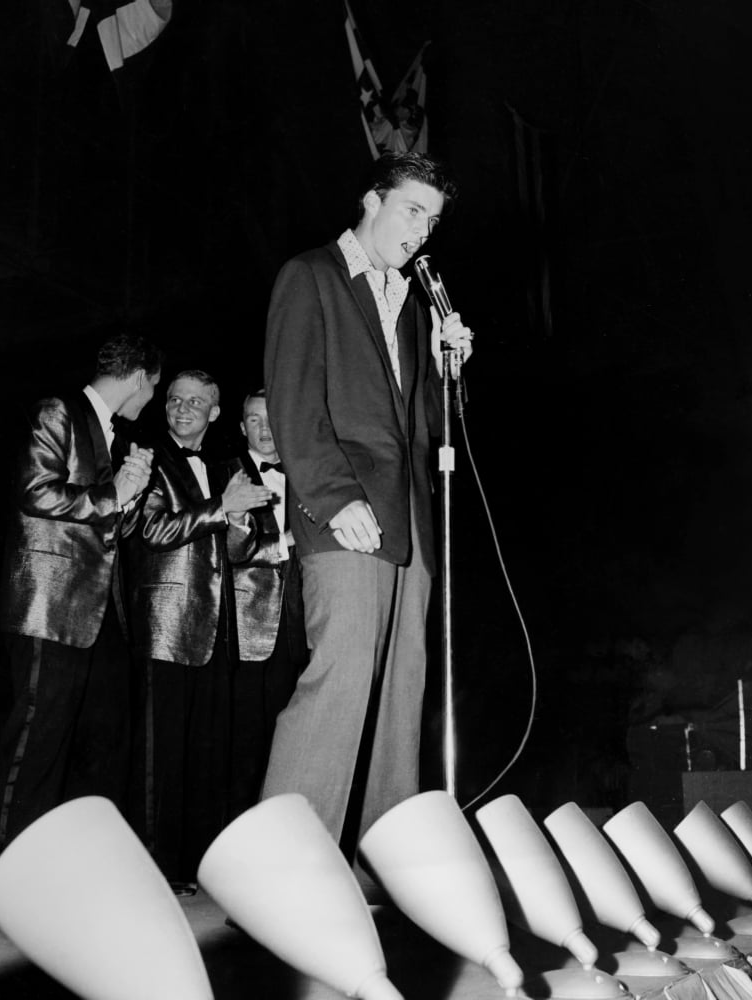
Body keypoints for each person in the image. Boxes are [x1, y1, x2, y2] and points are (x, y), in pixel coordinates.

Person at [261, 151, 474, 870]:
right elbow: (294, 400)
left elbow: (430, 432)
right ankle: (285, 866)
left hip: (409, 526)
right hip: (344, 512)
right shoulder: (312, 276)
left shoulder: (414, 306)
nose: (422, 231)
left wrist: (451, 371)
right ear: (371, 201)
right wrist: (331, 498)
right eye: (413, 210)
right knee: (342, 682)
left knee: (399, 697)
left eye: (434, 220)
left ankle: (387, 866)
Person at [0, 331, 162, 856]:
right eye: (153, 386)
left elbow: (101, 518)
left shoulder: (108, 433)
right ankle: (10, 862)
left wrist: (127, 503)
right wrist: (116, 493)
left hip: (96, 609)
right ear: (137, 378)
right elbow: (35, 490)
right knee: (38, 738)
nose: (151, 397)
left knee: (95, 738)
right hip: (49, 604)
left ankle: (73, 856)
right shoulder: (57, 411)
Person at [124, 369, 272, 887]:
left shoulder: (228, 464)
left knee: (206, 753)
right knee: (159, 757)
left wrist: (237, 524)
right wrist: (218, 510)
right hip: (165, 626)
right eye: (174, 399)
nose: (182, 409)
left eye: (196, 402)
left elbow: (238, 550)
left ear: (214, 412)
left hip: (218, 629)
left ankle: (198, 868)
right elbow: (153, 530)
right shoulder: (145, 456)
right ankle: (152, 871)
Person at [227, 389, 308, 816]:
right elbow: (229, 548)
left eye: (271, 418)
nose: (264, 429)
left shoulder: (306, 474)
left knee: (288, 735)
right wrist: (284, 543)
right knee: (242, 740)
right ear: (242, 428)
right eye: (254, 420)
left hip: (297, 627)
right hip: (244, 627)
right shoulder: (227, 474)